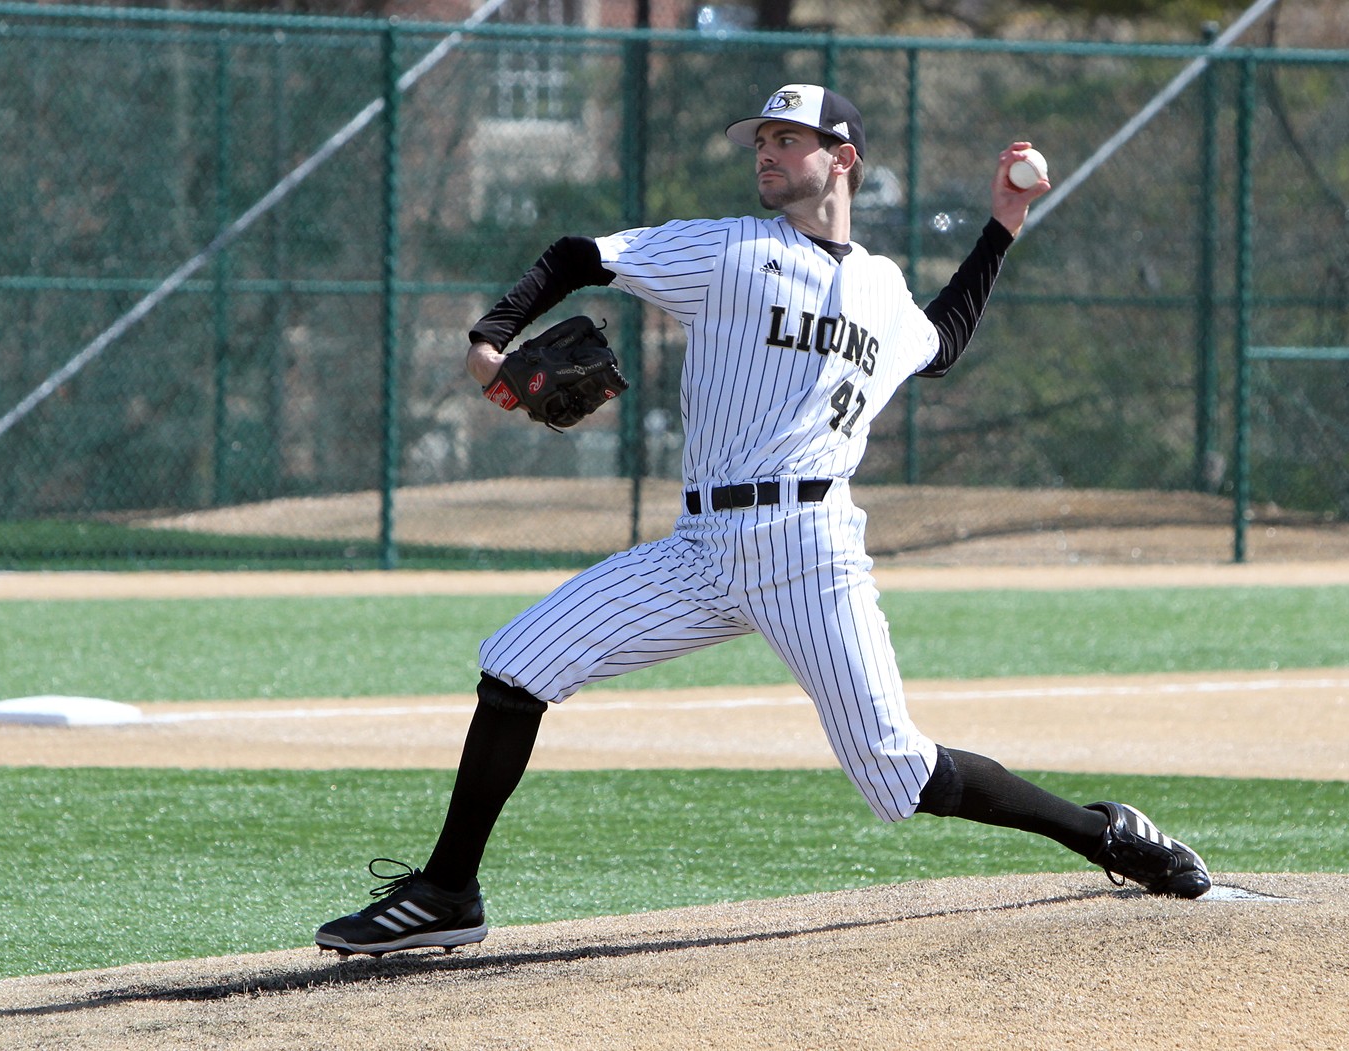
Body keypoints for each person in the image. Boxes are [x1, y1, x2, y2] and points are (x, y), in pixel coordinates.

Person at [315, 83, 1211, 958]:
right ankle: (446, 891)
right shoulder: (729, 248)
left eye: (789, 140)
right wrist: (490, 336)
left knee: (900, 774)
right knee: (515, 665)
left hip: (812, 552)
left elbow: (941, 342)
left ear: (843, 160)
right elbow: (578, 253)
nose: (768, 154)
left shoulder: (882, 288)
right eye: (761, 142)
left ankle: (1105, 834)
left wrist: (1002, 228)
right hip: (701, 549)